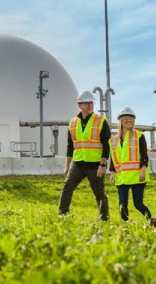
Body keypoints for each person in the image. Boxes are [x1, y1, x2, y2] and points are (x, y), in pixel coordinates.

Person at [58, 90, 110, 221]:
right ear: (79, 105)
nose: (90, 105)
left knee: (99, 193)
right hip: (78, 164)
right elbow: (70, 145)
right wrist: (67, 166)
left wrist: (103, 165)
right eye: (86, 103)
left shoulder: (100, 120)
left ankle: (104, 219)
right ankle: (62, 215)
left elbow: (106, 144)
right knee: (67, 188)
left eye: (91, 103)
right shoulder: (73, 123)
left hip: (95, 165)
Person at [108, 107, 156, 227]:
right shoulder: (113, 140)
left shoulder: (138, 135)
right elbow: (113, 158)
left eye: (131, 118)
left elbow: (144, 156)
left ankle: (152, 221)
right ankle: (125, 227)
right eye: (125, 118)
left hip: (137, 176)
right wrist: (112, 172)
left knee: (138, 204)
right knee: (122, 204)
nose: (128, 120)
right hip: (122, 177)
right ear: (120, 121)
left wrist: (142, 170)